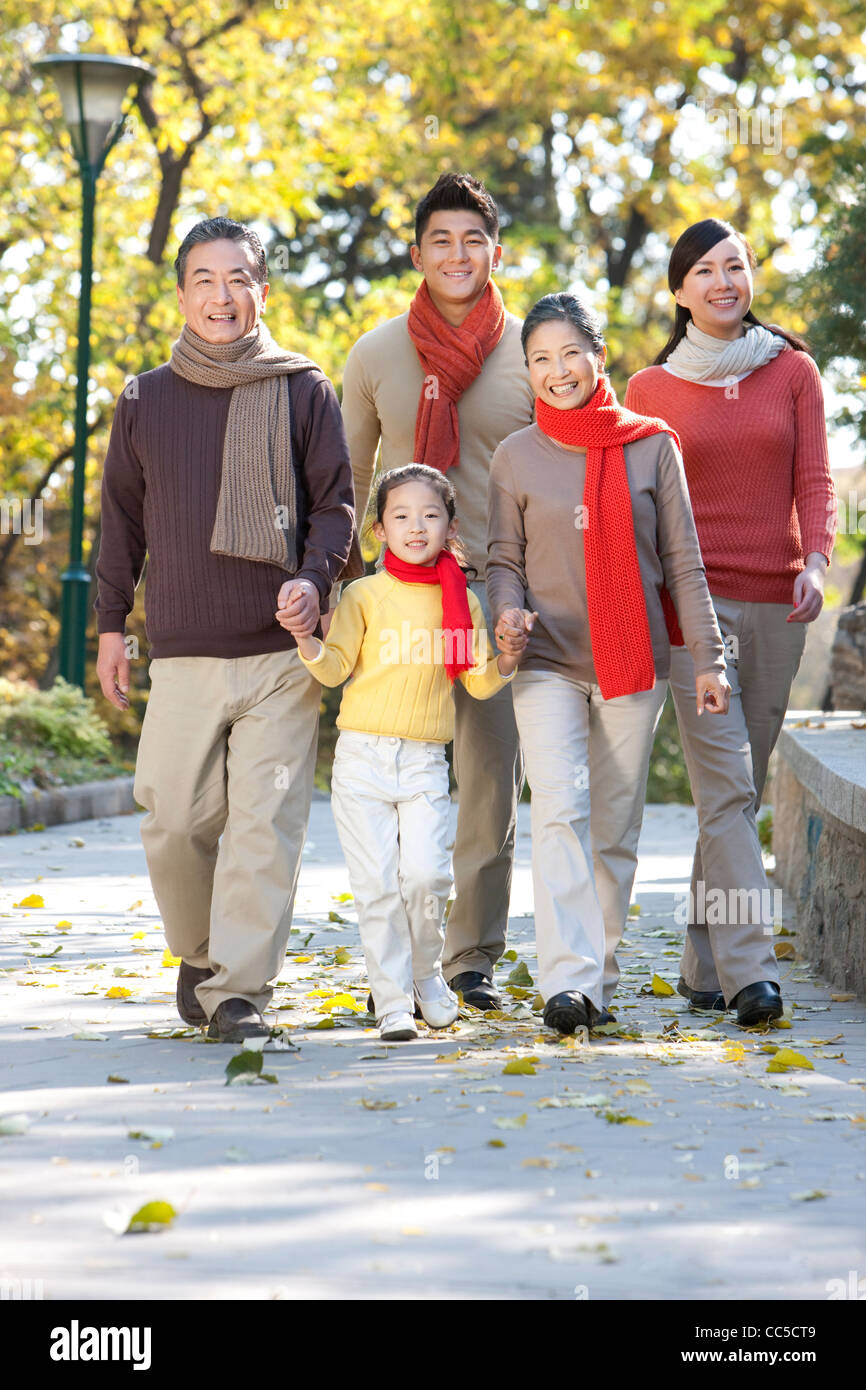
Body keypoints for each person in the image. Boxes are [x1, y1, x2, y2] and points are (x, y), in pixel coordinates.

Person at [95, 217, 357, 1043]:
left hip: (280, 653)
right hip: (180, 646)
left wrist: (314, 583)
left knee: (262, 825)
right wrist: (110, 626)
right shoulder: (144, 400)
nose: (222, 295)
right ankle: (202, 954)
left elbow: (336, 507)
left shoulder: (303, 389)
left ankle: (240, 993)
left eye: (238, 278)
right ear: (181, 295)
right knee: (173, 817)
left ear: (262, 292)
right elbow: (120, 526)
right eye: (205, 279)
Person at [487, 292, 730, 1035]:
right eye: (540, 360)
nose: (557, 372)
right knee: (559, 809)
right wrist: (505, 613)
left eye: (569, 354)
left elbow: (683, 564)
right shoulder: (515, 455)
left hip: (633, 662)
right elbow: (503, 558)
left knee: (613, 828)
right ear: (526, 371)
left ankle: (600, 974)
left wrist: (711, 659)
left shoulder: (653, 444)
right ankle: (568, 982)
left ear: (599, 355)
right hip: (547, 659)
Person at [625, 218, 836, 1027]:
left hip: (780, 604)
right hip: (695, 612)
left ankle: (700, 960)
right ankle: (750, 971)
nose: (723, 282)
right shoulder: (649, 391)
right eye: (705, 271)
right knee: (730, 785)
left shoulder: (793, 372)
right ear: (679, 291)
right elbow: (640, 509)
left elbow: (815, 479)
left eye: (735, 266)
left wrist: (816, 560)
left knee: (733, 791)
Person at [340, 172, 535, 1011]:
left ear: (497, 252)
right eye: (440, 240)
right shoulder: (377, 353)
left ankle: (470, 958)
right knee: (400, 772)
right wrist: (351, 596)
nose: (457, 255)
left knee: (488, 779)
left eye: (473, 240)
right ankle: (402, 960)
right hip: (399, 596)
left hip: (493, 588)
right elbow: (344, 487)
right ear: (416, 252)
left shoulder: (535, 348)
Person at [278, 464, 526, 1041]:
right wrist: (306, 637)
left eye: (431, 515)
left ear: (450, 527)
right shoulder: (363, 595)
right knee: (378, 888)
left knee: (426, 878)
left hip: (421, 762)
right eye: (401, 516)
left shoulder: (461, 600)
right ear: (380, 530)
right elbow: (336, 668)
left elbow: (479, 682)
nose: (417, 527)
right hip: (362, 759)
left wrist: (509, 657)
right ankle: (392, 1005)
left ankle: (425, 975)